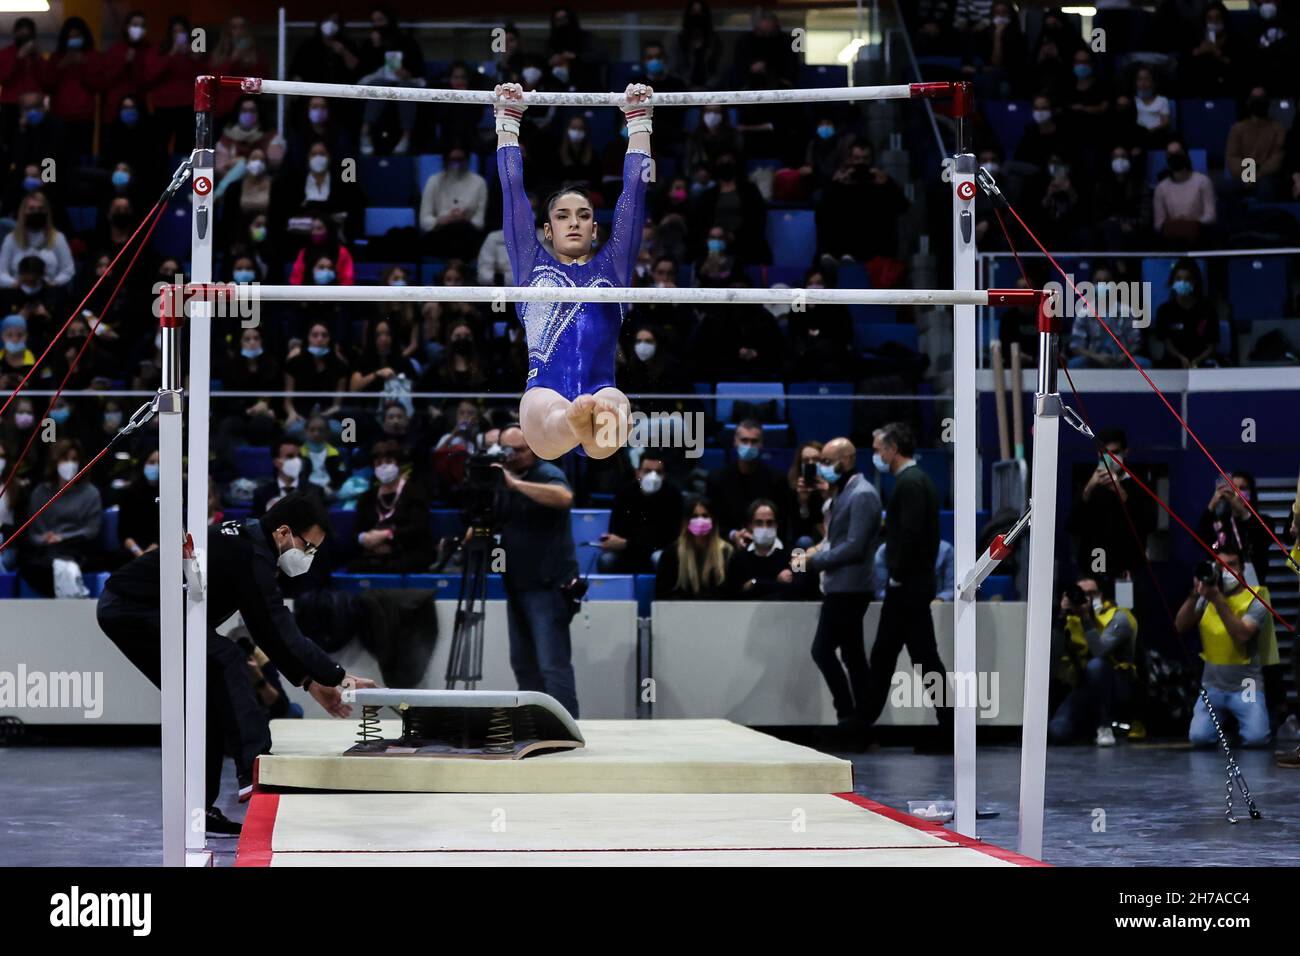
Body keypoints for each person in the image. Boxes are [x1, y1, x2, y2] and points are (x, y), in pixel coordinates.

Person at [97, 492, 374, 832]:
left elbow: (268, 631)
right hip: (132, 609)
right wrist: (339, 677)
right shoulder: (250, 553)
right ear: (284, 533)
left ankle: (200, 809)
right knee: (227, 658)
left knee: (207, 697)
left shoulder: (251, 546)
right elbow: (279, 628)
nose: (310, 557)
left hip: (133, 609)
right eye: (309, 547)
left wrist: (310, 681)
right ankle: (255, 767)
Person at [494, 81, 652, 460]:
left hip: (601, 390)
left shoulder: (612, 267)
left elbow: (635, 192)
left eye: (584, 216)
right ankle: (573, 420)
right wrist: (507, 120)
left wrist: (639, 122)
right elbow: (512, 190)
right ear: (547, 230)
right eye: (562, 216)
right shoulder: (531, 264)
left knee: (613, 408)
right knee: (552, 414)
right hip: (545, 394)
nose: (574, 223)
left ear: (595, 228)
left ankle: (585, 421)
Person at [861, 423, 952, 748]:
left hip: (907, 587)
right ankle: (863, 724)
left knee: (913, 657)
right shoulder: (917, 481)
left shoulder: (910, 484)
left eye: (877, 448)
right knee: (905, 656)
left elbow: (910, 534)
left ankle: (950, 726)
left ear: (893, 449)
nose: (876, 455)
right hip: (912, 585)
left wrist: (897, 573)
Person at [793, 438, 880, 742]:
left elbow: (854, 548)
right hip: (842, 585)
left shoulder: (863, 495)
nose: (823, 468)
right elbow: (834, 537)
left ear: (849, 459)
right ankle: (859, 723)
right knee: (853, 655)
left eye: (829, 462)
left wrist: (814, 561)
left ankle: (849, 716)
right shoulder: (844, 492)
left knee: (824, 650)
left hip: (850, 587)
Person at [493, 424, 581, 715]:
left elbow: (564, 498)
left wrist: (515, 484)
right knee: (523, 665)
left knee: (552, 665)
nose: (515, 456)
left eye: (521, 450)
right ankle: (533, 725)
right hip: (517, 585)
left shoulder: (546, 473)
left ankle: (567, 732)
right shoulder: (503, 480)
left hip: (549, 587)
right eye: (509, 450)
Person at [1175, 543, 1271, 748]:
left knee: (1257, 739)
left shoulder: (1256, 598)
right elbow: (1180, 625)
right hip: (1213, 686)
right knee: (1199, 738)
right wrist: (1195, 594)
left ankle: (1234, 726)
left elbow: (1242, 634)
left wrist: (1217, 599)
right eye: (1221, 565)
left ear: (1243, 567)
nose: (1227, 570)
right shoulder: (1205, 597)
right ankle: (1225, 727)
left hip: (1247, 686)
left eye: (1232, 564)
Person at [1048, 575, 1138, 746]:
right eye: (1082, 594)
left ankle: (1104, 725)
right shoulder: (1068, 620)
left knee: (1096, 666)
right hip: (1084, 685)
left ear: (1101, 595)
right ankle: (1090, 725)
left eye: (1092, 593)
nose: (1087, 598)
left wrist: (1086, 618)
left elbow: (1099, 651)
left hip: (1116, 686)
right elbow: (1051, 657)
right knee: (1057, 731)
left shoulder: (1117, 617)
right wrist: (1061, 616)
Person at [18, 439, 102, 597]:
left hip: (77, 546)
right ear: (55, 462)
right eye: (65, 459)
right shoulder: (40, 493)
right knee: (31, 564)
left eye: (74, 460)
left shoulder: (91, 493)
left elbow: (91, 530)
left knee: (62, 559)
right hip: (46, 549)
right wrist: (45, 539)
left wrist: (62, 537)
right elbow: (33, 532)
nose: (70, 464)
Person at [350, 439, 432, 573]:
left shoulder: (414, 492)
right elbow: (357, 531)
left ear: (398, 465)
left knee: (403, 565)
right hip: (373, 553)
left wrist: (387, 535)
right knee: (355, 565)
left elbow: (419, 528)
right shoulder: (367, 497)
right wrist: (365, 538)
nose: (383, 467)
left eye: (388, 461)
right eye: (378, 463)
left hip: (405, 550)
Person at [705, 421, 790, 549]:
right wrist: (734, 535)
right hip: (726, 545)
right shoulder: (717, 479)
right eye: (744, 440)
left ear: (761, 444)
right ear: (735, 442)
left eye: (754, 441)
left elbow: (782, 522)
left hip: (768, 544)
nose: (749, 446)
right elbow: (712, 521)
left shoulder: (777, 480)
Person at [598, 452, 683, 572]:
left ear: (664, 475)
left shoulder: (673, 496)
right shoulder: (625, 494)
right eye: (647, 471)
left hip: (657, 551)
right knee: (607, 559)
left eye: (658, 472)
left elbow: (668, 539)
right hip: (628, 553)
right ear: (638, 473)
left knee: (661, 558)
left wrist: (628, 543)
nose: (653, 477)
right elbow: (616, 532)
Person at [419, 141, 488, 259]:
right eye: (453, 160)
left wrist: (465, 219)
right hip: (440, 232)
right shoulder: (433, 181)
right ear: (446, 160)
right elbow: (424, 221)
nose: (457, 164)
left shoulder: (479, 183)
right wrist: (443, 220)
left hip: (467, 233)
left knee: (463, 233)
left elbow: (480, 222)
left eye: (460, 159)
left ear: (467, 160)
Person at [655, 496, 733, 599]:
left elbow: (731, 594)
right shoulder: (672, 553)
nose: (700, 520)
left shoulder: (727, 552)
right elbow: (663, 594)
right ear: (686, 521)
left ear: (713, 520)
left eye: (705, 516)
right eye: (694, 516)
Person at [727, 498, 790, 598]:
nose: (765, 528)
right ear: (750, 526)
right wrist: (777, 582)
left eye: (769, 523)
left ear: (777, 525)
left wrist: (755, 583)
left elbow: (800, 586)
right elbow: (734, 594)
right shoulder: (738, 558)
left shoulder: (797, 552)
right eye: (759, 523)